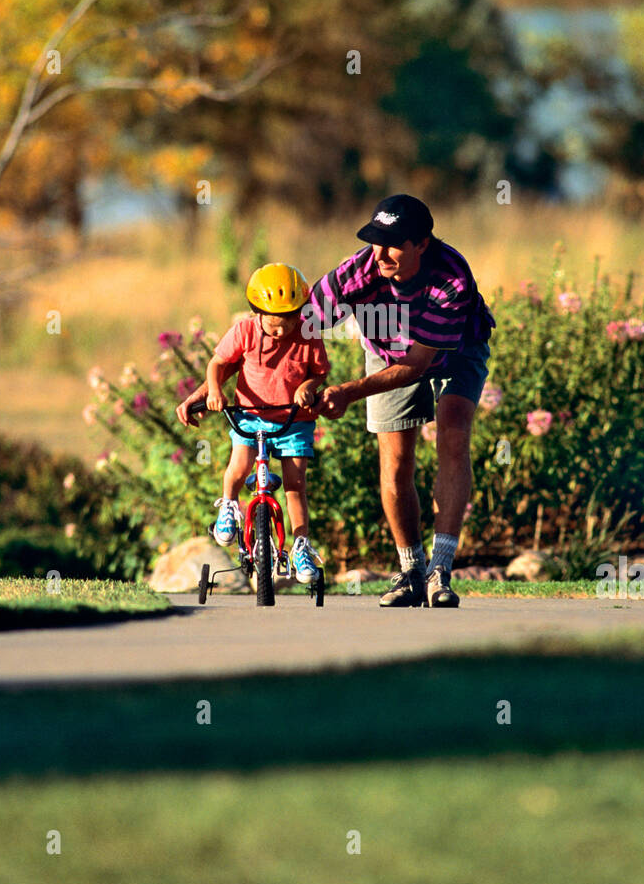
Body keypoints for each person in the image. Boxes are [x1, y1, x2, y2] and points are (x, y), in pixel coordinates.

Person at [310, 194, 495, 608]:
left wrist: (349, 391)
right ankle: (411, 570)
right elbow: (300, 321)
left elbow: (416, 366)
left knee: (452, 434)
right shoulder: (356, 273)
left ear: (422, 244)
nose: (380, 253)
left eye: (393, 243)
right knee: (395, 460)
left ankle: (439, 572)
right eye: (375, 240)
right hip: (387, 346)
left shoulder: (452, 278)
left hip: (455, 348)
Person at [182, 263, 328, 585]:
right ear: (257, 313)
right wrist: (215, 392)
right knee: (239, 466)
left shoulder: (308, 333)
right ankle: (229, 507)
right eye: (274, 325)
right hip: (251, 416)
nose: (281, 331)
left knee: (294, 485)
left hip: (294, 420)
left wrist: (310, 386)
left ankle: (301, 544)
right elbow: (218, 363)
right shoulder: (245, 331)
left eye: (289, 322)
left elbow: (320, 372)